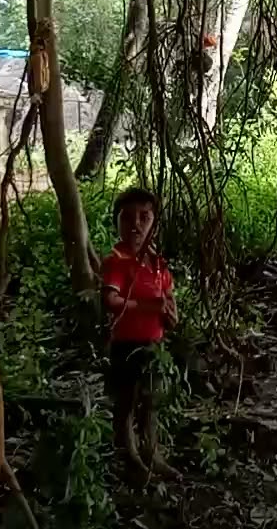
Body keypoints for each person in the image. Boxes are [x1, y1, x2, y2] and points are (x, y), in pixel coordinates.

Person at [101, 187, 181, 480]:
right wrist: (147, 305)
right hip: (126, 345)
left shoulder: (157, 262)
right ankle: (128, 455)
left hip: (154, 345)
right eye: (127, 218)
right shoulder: (116, 260)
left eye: (144, 217)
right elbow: (110, 301)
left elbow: (169, 297)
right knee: (126, 402)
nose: (136, 224)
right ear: (117, 223)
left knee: (151, 401)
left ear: (154, 223)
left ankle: (152, 453)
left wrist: (171, 315)